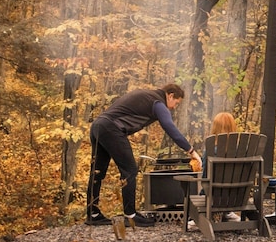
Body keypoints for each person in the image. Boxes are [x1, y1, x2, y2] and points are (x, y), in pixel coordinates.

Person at [85, 83, 202, 227]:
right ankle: (130, 215)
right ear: (170, 95)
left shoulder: (148, 96)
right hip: (111, 128)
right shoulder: (158, 103)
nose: (173, 107)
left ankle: (93, 214)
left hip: (98, 126)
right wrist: (192, 151)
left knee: (97, 172)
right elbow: (170, 129)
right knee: (130, 170)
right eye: (176, 103)